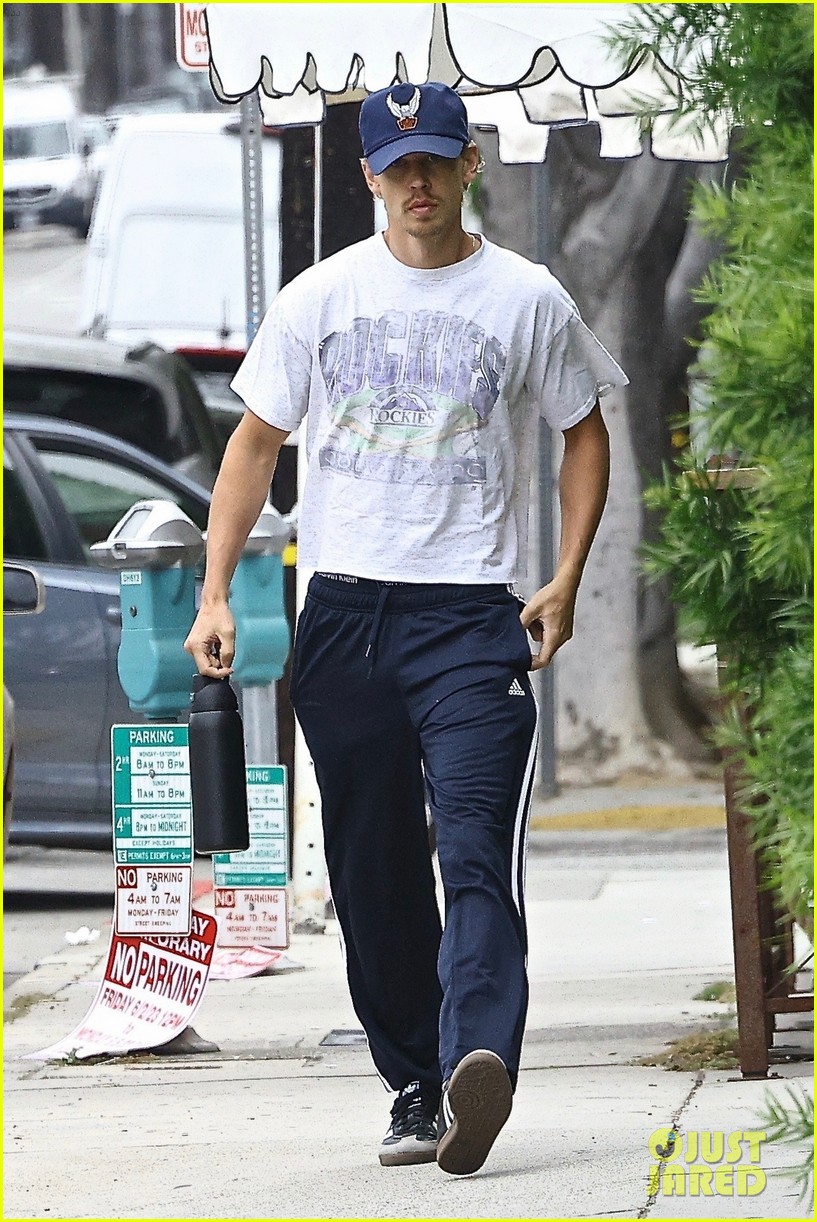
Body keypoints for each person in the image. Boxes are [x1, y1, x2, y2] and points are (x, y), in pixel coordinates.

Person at [185, 81, 627, 1176]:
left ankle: (479, 1051)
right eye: (398, 165)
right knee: (371, 867)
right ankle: (416, 1086)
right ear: (371, 176)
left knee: (476, 851)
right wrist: (214, 592)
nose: (418, 181)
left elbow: (584, 433)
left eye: (436, 159)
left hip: (472, 617)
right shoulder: (320, 296)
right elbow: (253, 446)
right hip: (343, 614)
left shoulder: (525, 297)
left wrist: (564, 578)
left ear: (470, 163)